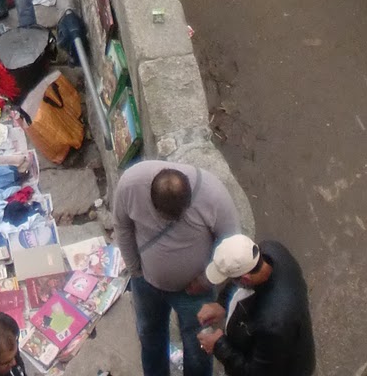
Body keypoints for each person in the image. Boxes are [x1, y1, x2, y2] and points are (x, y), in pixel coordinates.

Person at [114, 160, 241, 376]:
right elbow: (122, 226)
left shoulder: (214, 196)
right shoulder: (130, 185)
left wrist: (205, 281)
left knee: (197, 349)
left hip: (194, 292)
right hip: (145, 282)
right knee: (149, 336)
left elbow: (233, 248)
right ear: (151, 201)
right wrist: (136, 270)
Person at [197, 235, 316, 376]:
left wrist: (219, 346)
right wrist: (222, 304)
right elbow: (238, 282)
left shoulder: (273, 324)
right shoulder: (271, 250)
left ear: (245, 279)